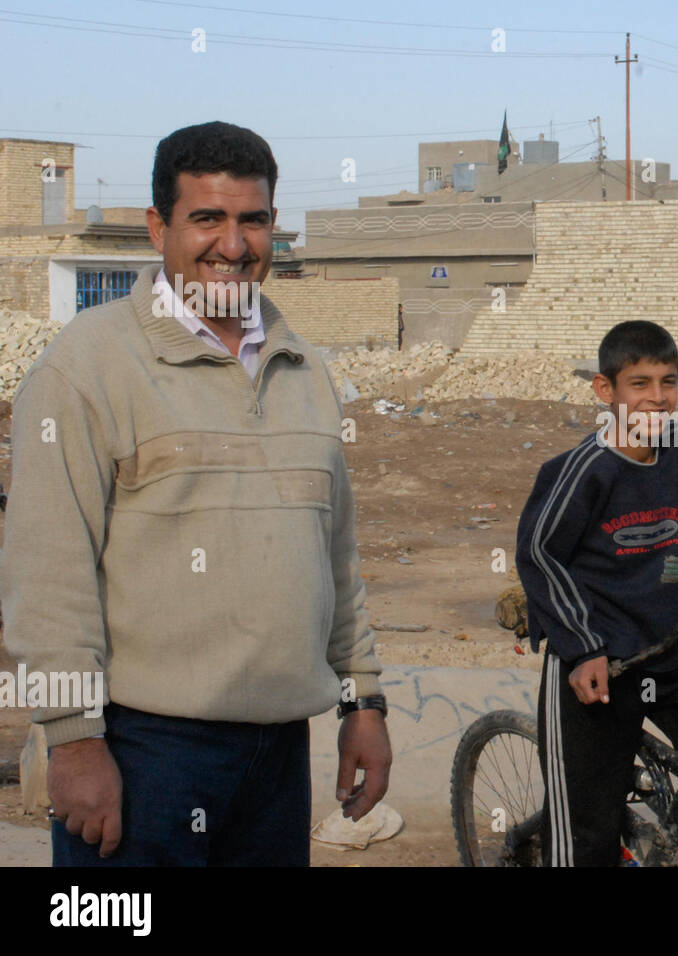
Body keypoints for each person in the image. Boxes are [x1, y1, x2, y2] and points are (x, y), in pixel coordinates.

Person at [0, 121, 391, 866]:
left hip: (277, 756)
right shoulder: (86, 367)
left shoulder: (303, 368)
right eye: (207, 218)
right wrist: (72, 740)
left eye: (253, 220)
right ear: (159, 228)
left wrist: (362, 702)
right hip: (142, 753)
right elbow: (47, 572)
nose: (233, 245)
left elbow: (335, 559)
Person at [515, 320, 678, 866]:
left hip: (667, 650)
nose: (657, 397)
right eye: (640, 383)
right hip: (597, 664)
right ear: (605, 390)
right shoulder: (583, 471)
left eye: (667, 382)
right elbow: (539, 554)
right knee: (587, 831)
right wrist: (582, 648)